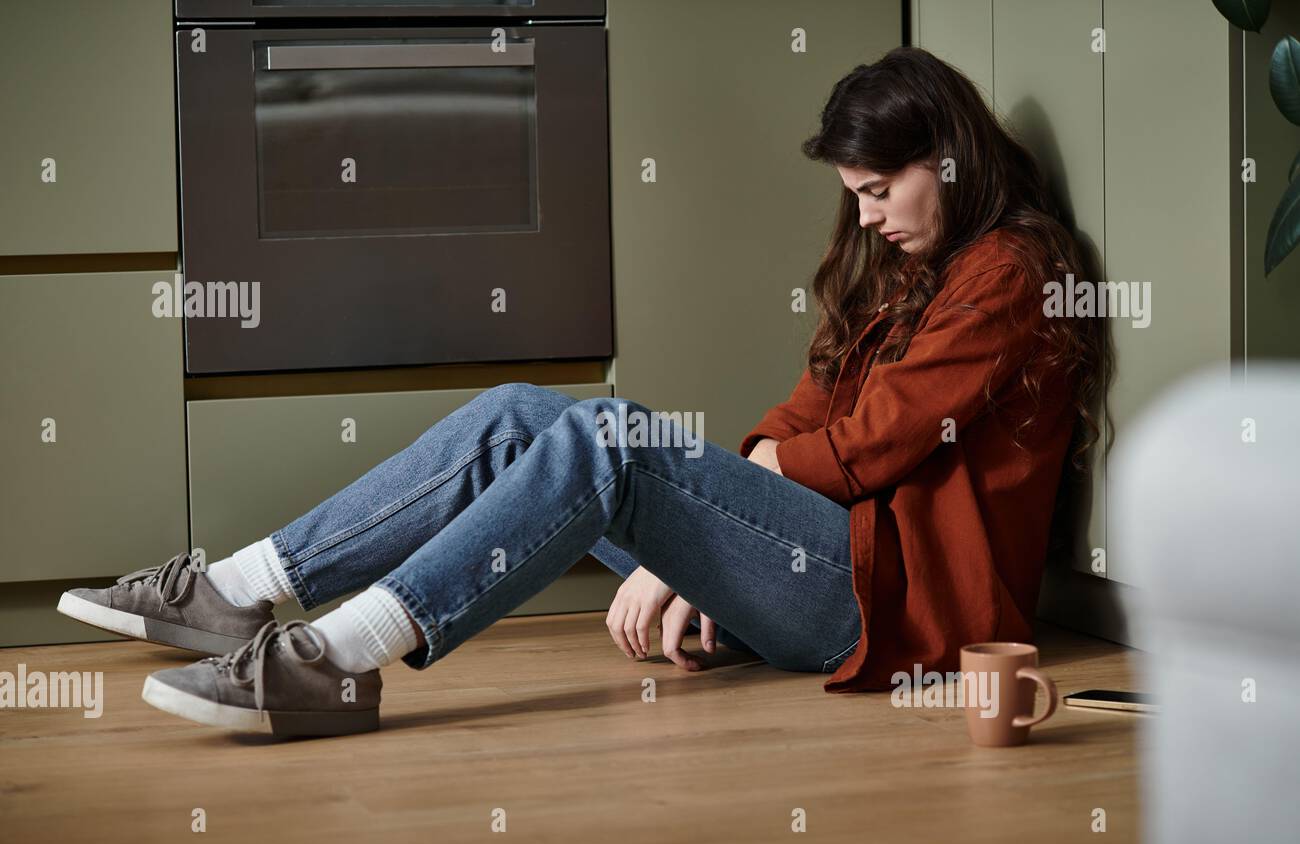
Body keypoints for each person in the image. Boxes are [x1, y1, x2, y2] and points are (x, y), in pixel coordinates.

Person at [56, 47, 1102, 736]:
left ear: (951, 160)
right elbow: (800, 413)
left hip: (898, 607)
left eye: (881, 190)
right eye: (857, 196)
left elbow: (865, 446)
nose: (867, 217)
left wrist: (721, 516)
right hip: (833, 563)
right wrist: (707, 542)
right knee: (522, 413)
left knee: (605, 440)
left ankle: (336, 656)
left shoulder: (1009, 272)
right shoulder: (910, 265)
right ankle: (238, 589)